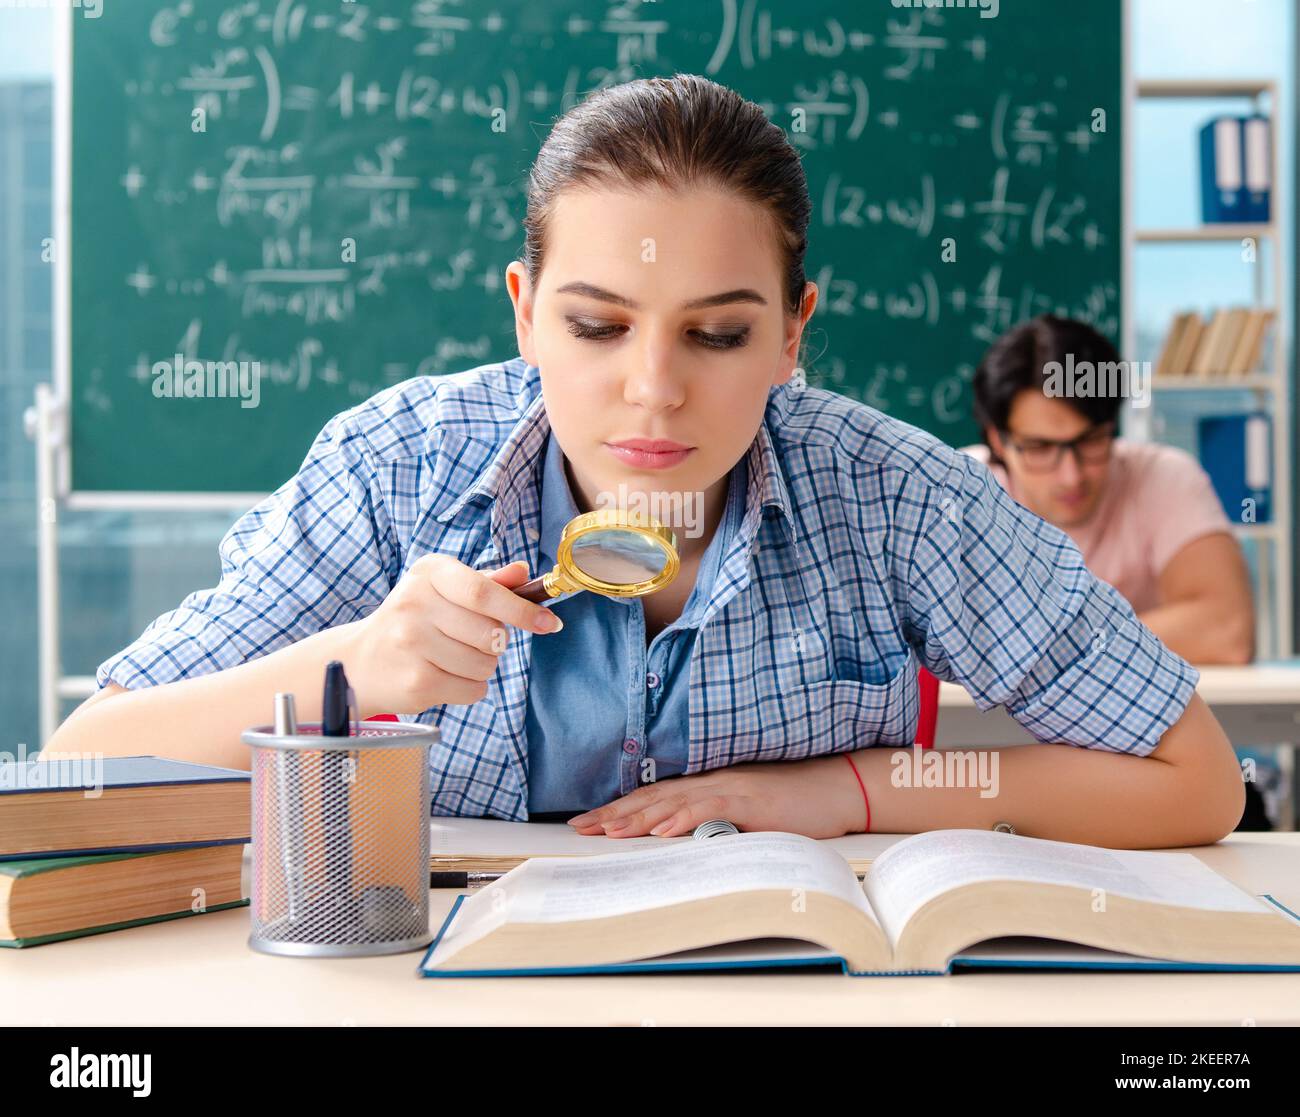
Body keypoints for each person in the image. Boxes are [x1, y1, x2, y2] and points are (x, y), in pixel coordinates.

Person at [47, 75, 1244, 849]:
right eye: (595, 323)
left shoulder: (895, 495)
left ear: (792, 330)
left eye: (719, 333)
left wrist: (849, 792)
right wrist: (351, 664)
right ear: (522, 314)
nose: (654, 388)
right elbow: (81, 764)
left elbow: (1196, 779)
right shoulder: (393, 469)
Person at [964, 315, 1254, 666]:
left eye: (1090, 441)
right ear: (998, 439)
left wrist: (1038, 648)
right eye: (1040, 447)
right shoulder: (959, 490)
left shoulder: (1165, 477)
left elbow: (1226, 631)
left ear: (1112, 425)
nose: (1071, 476)